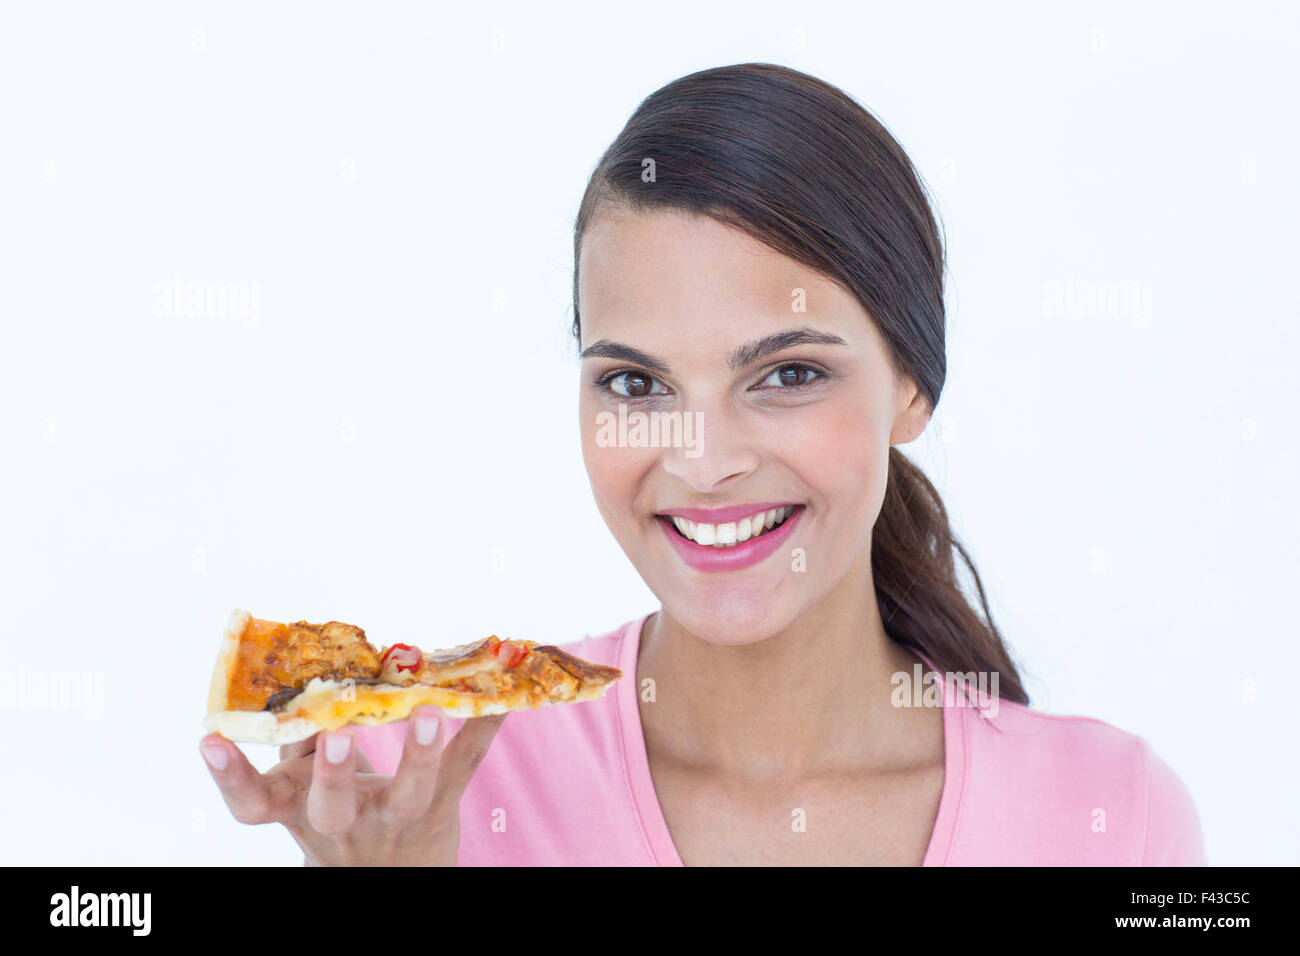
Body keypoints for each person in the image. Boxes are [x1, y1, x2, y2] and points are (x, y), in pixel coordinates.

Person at [199, 62, 1206, 866]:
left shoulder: (1113, 816)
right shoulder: (412, 786)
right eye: (636, 384)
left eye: (787, 374)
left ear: (912, 385)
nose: (705, 460)